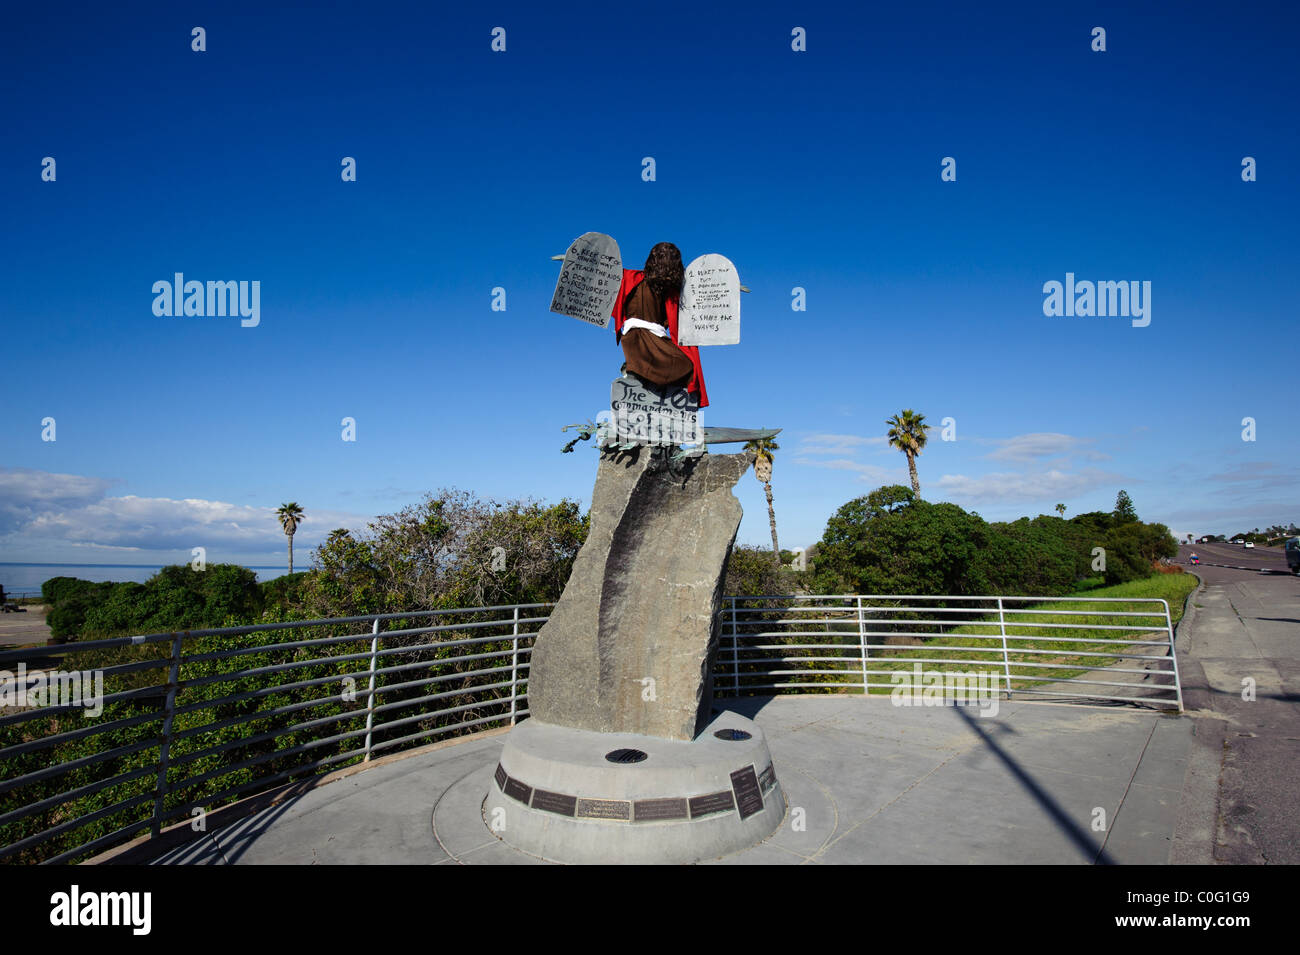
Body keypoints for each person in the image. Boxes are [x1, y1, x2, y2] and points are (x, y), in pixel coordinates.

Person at [611, 242, 709, 408]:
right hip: (639, 338)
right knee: (685, 365)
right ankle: (635, 375)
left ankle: (654, 390)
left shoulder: (664, 289)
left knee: (684, 364)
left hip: (646, 338)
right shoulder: (632, 279)